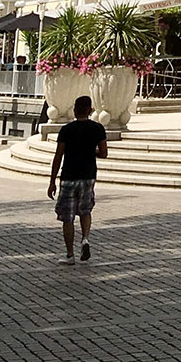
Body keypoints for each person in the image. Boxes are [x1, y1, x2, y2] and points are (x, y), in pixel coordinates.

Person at [47, 93, 107, 264]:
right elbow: (103, 153)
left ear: (75, 110)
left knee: (68, 217)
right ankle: (85, 239)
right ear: (90, 110)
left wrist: (52, 181)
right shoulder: (97, 129)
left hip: (69, 177)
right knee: (85, 211)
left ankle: (70, 255)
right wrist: (90, 151)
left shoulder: (66, 130)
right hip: (88, 176)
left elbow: (58, 157)